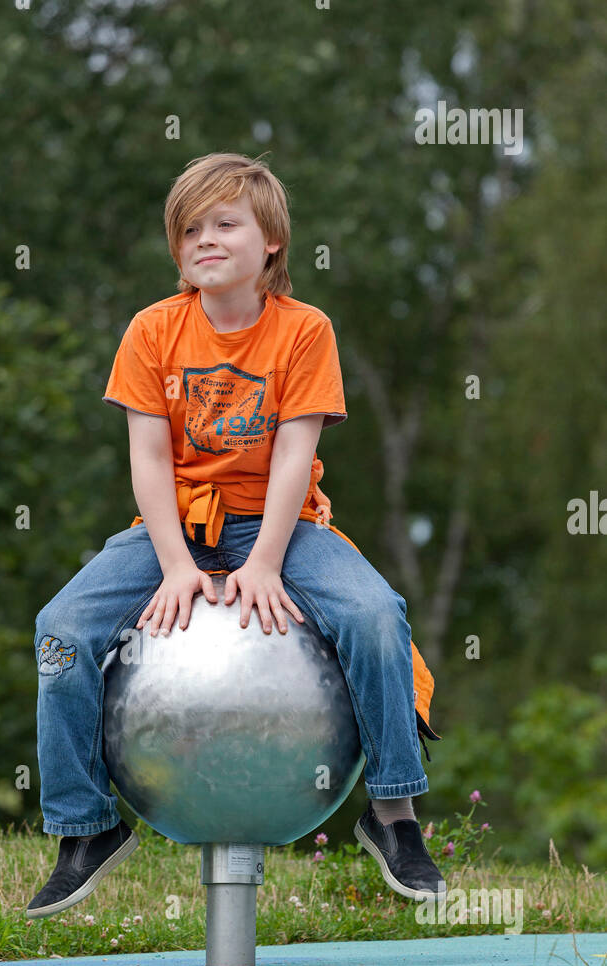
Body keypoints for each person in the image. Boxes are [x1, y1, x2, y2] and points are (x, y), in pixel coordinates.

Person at [27, 151, 445, 919]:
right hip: (175, 526)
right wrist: (175, 565)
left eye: (225, 224)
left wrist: (265, 564)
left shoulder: (304, 331)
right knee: (59, 629)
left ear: (271, 241)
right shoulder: (153, 330)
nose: (205, 240)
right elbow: (150, 460)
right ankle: (85, 827)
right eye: (190, 229)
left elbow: (294, 457)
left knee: (375, 615)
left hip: (281, 525)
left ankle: (393, 814)